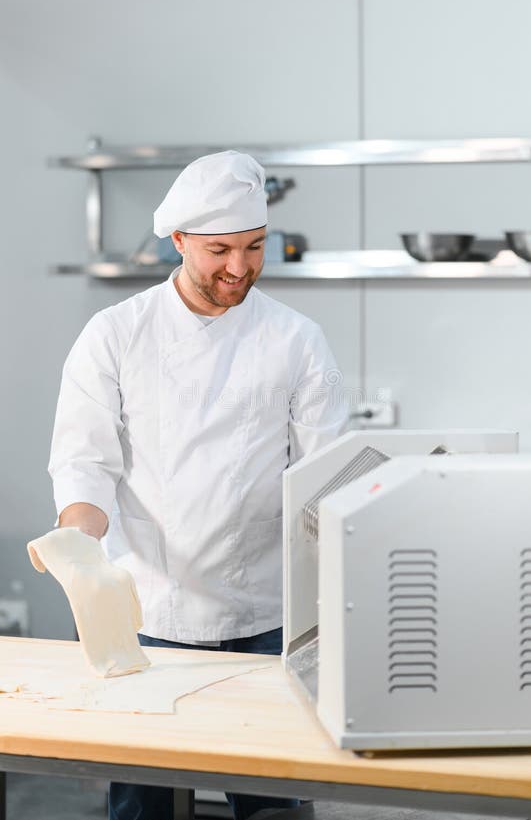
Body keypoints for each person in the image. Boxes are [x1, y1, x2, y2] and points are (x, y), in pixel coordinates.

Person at [48, 150, 348, 820]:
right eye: (219, 249)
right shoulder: (116, 334)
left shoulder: (297, 341)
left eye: (255, 246)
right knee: (143, 804)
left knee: (274, 803)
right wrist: (79, 545)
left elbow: (327, 476)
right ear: (179, 240)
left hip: (264, 613)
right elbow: (85, 463)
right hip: (149, 614)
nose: (239, 266)